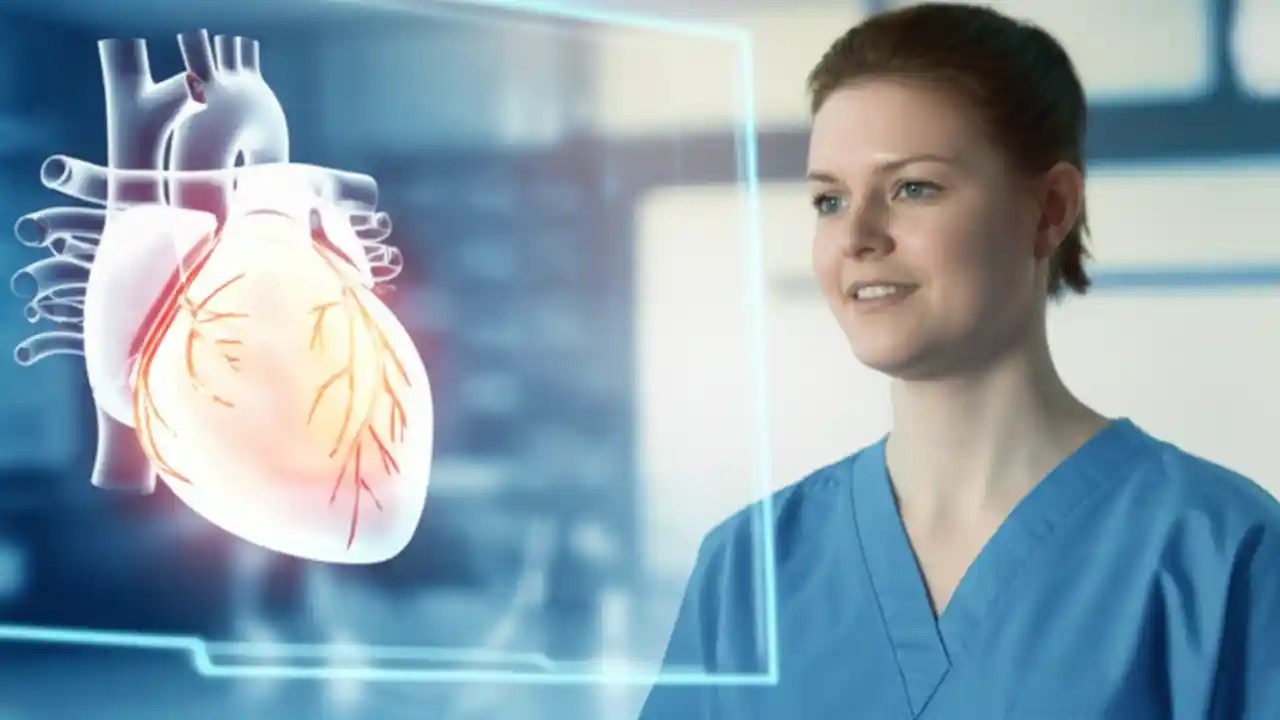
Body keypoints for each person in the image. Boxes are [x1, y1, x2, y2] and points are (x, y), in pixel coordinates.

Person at [636, 3, 1280, 718]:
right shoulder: (747, 573)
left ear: (1050, 209)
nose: (857, 236)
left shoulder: (1218, 554)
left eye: (914, 187)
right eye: (828, 200)